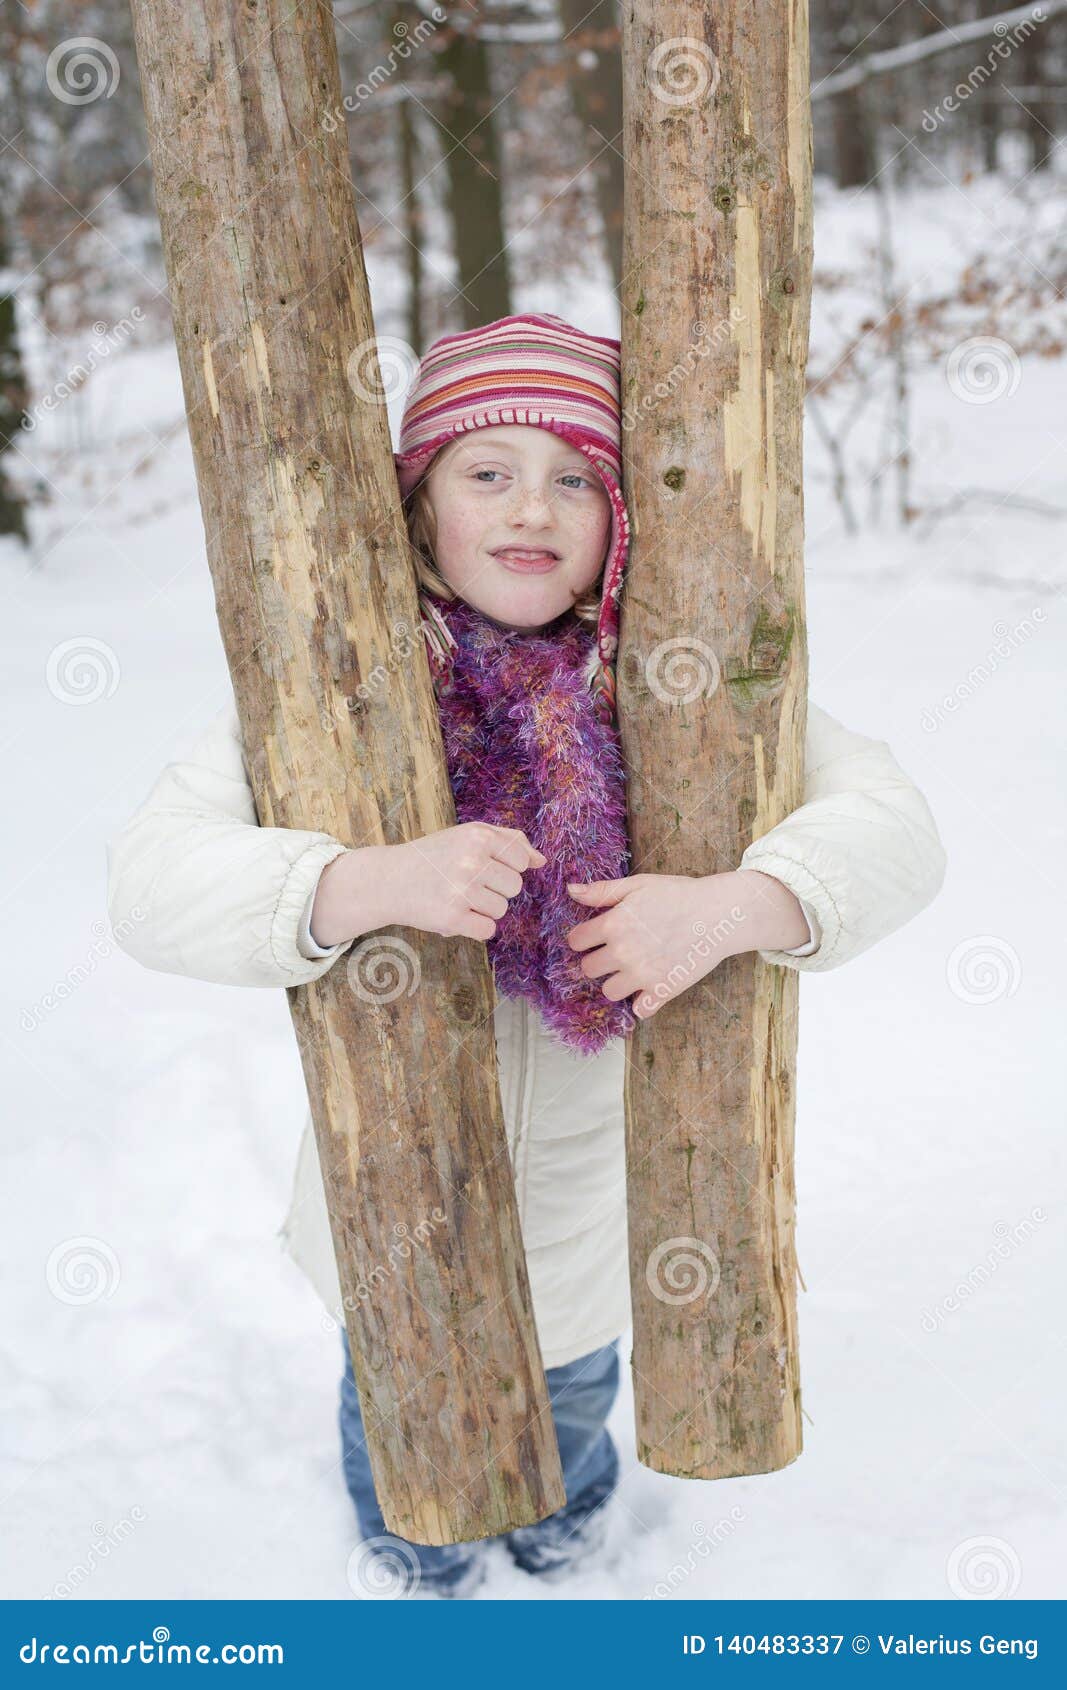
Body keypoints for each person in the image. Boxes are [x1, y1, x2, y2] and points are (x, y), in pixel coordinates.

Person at [106, 313, 948, 1598]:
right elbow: (150, 885)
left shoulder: (673, 678)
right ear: (418, 503)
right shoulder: (333, 687)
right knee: (397, 1415)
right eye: (486, 470)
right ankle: (419, 1562)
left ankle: (563, 1548)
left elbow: (896, 832)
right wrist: (361, 881)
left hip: (594, 1222)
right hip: (389, 1210)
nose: (531, 508)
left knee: (569, 1405)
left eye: (573, 478)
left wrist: (730, 905)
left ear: (621, 515)